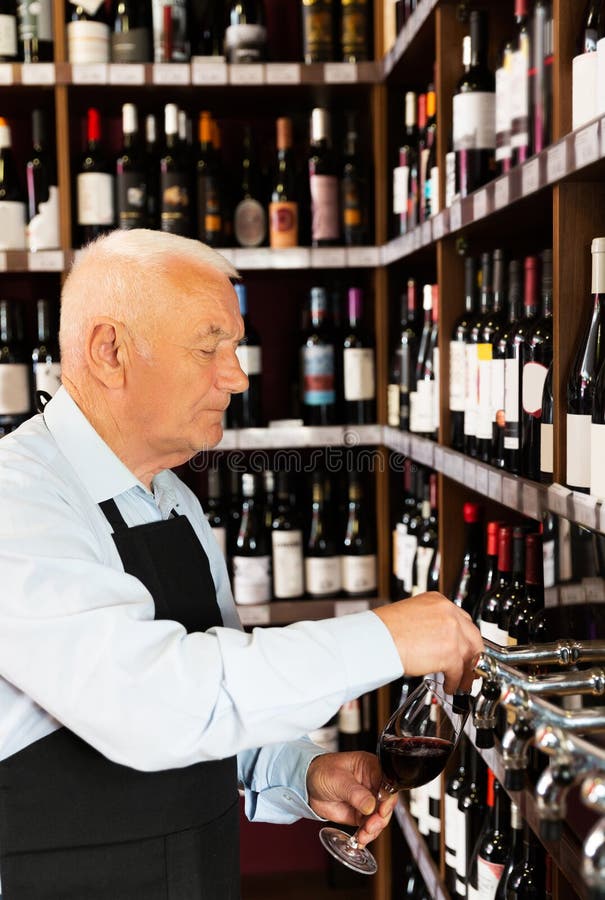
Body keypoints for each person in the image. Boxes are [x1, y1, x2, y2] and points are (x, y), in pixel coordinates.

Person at [0, 229, 483, 900]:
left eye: (235, 346)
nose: (236, 375)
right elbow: (148, 703)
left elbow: (213, 692)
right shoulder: (16, 500)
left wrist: (297, 771)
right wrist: (384, 639)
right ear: (109, 351)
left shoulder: (171, 500)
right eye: (210, 347)